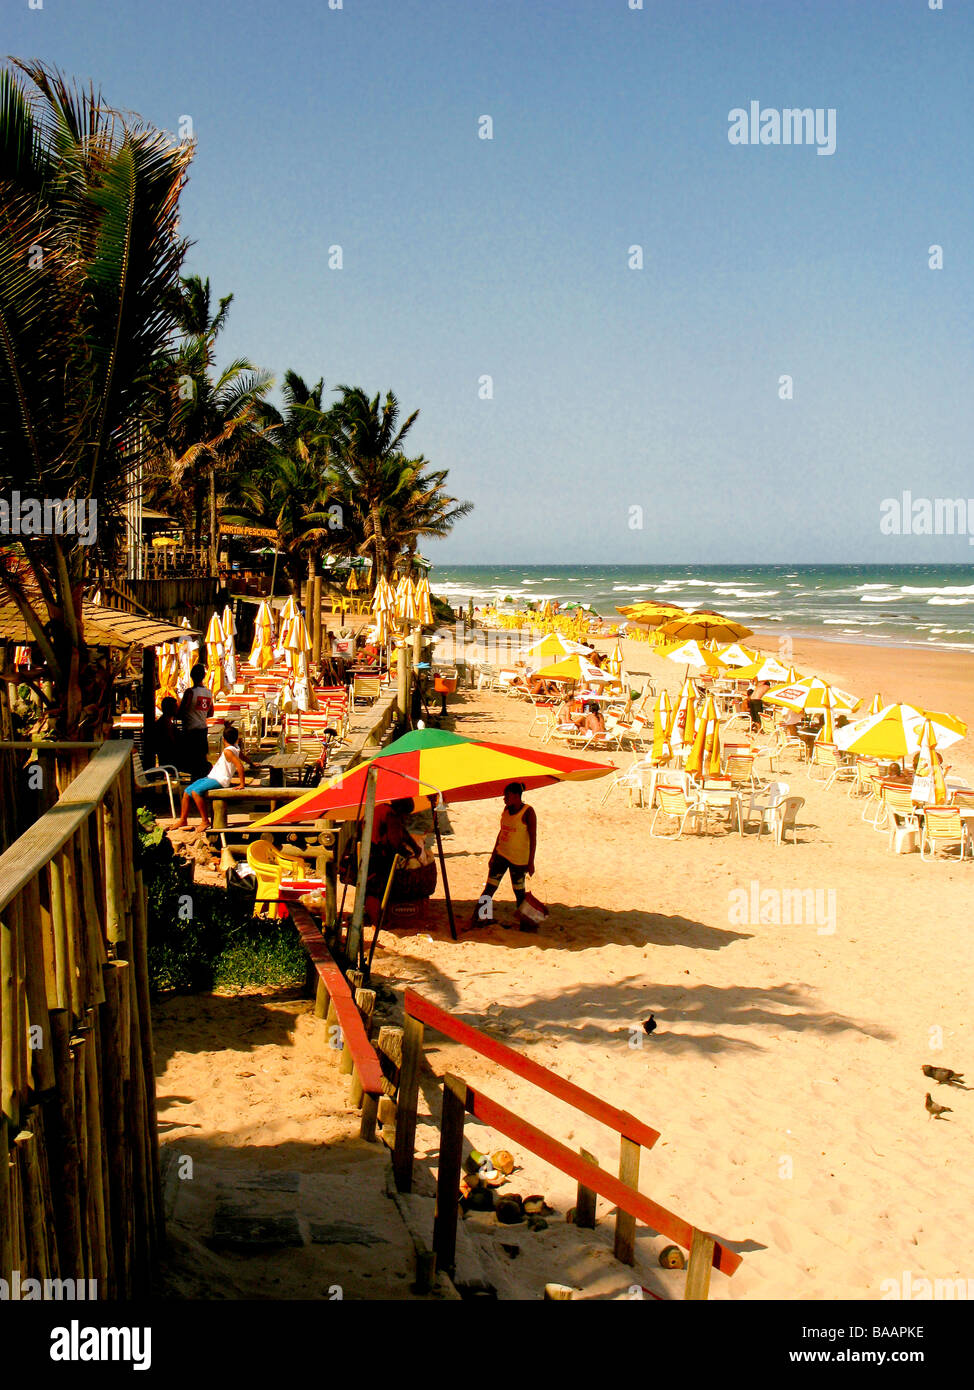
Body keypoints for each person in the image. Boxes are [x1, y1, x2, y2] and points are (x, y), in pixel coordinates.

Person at [471, 783, 537, 928]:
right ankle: (482, 918)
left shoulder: (528, 812)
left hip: (519, 860)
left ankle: (527, 924)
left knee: (519, 893)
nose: (504, 799)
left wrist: (531, 862)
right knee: (490, 888)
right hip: (502, 855)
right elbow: (501, 833)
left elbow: (533, 838)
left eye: (506, 795)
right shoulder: (506, 810)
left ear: (515, 795)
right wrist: (494, 853)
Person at [175, 724, 246, 831]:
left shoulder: (228, 751)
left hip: (220, 780)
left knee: (195, 792)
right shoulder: (236, 748)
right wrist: (252, 763)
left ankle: (205, 820)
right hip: (212, 777)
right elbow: (242, 756)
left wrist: (242, 784)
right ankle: (183, 819)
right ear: (236, 738)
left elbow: (239, 766)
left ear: (223, 739)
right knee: (187, 791)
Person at [365, 798, 422, 923]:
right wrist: (406, 852)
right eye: (405, 814)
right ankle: (377, 921)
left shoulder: (380, 808)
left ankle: (371, 915)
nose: (404, 818)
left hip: (367, 851)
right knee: (377, 888)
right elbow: (394, 840)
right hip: (376, 854)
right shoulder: (390, 814)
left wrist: (414, 846)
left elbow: (402, 831)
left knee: (369, 886)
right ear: (400, 809)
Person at [178, 663, 214, 780]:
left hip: (191, 731)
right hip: (203, 729)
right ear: (204, 676)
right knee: (202, 760)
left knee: (193, 761)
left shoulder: (190, 692)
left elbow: (183, 710)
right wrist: (201, 713)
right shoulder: (209, 693)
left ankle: (194, 787)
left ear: (192, 676)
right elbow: (211, 713)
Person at [153, 696, 182, 768]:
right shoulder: (165, 724)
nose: (178, 709)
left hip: (171, 759)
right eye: (176, 707)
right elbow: (171, 744)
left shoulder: (165, 721)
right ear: (170, 708)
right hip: (171, 761)